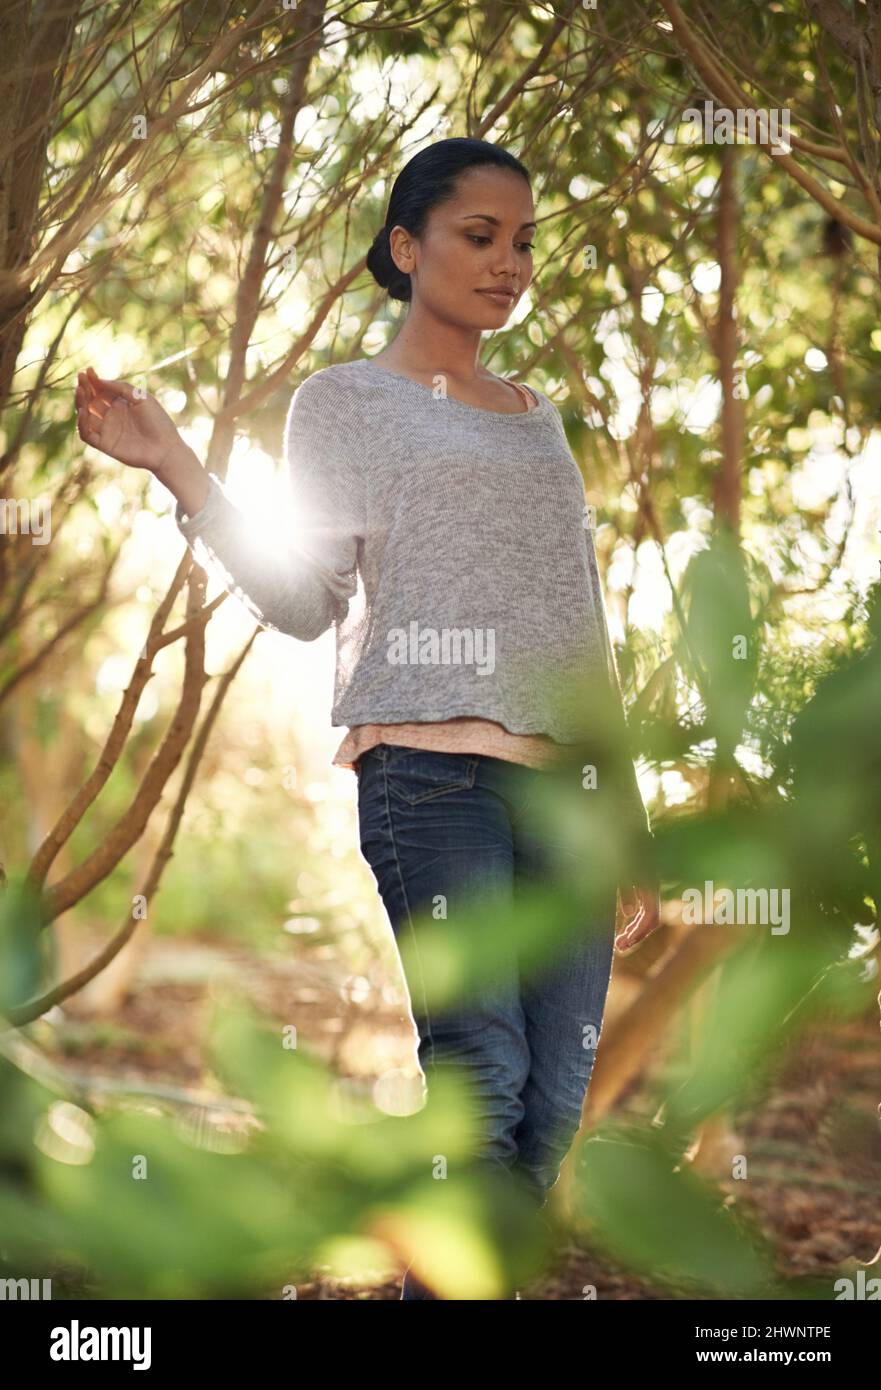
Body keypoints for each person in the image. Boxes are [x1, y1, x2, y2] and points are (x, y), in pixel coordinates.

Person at [74, 136, 662, 1300]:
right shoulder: (340, 402)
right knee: (482, 1071)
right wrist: (177, 465)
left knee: (549, 1105)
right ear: (406, 247)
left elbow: (577, 630)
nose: (508, 264)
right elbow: (303, 601)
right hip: (428, 778)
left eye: (523, 242)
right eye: (478, 236)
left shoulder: (538, 420)